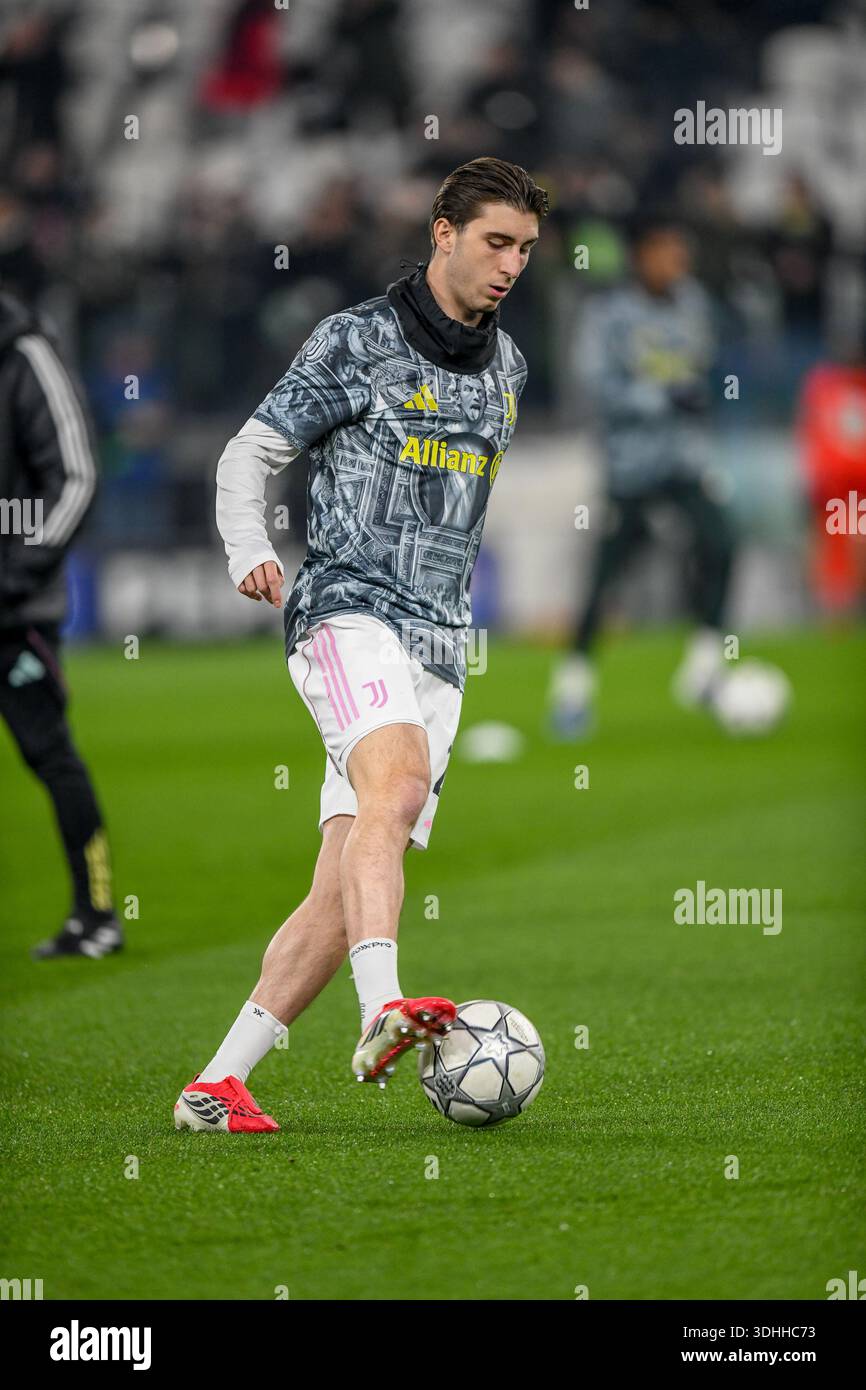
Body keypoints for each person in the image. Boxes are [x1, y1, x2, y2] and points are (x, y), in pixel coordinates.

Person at [175, 157, 548, 1133]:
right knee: (396, 790)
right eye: (493, 242)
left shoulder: (508, 368)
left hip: (439, 646)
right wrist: (249, 547)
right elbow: (248, 452)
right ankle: (383, 1006)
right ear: (441, 232)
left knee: (344, 883)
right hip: (346, 612)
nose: (510, 264)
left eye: (524, 249)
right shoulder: (354, 340)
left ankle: (215, 1086)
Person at [549, 216, 735, 736]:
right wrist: (659, 398)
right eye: (668, 251)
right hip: (631, 465)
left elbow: (702, 370)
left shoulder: (694, 303)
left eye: (682, 252)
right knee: (608, 576)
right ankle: (573, 686)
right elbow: (593, 385)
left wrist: (692, 397)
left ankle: (704, 667)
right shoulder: (607, 314)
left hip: (683, 459)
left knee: (721, 541)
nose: (679, 263)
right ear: (642, 255)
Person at [0, 288, 122, 957]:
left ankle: (97, 914)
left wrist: (16, 575)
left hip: (15, 616)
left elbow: (76, 478)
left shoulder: (24, 352)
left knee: (50, 756)